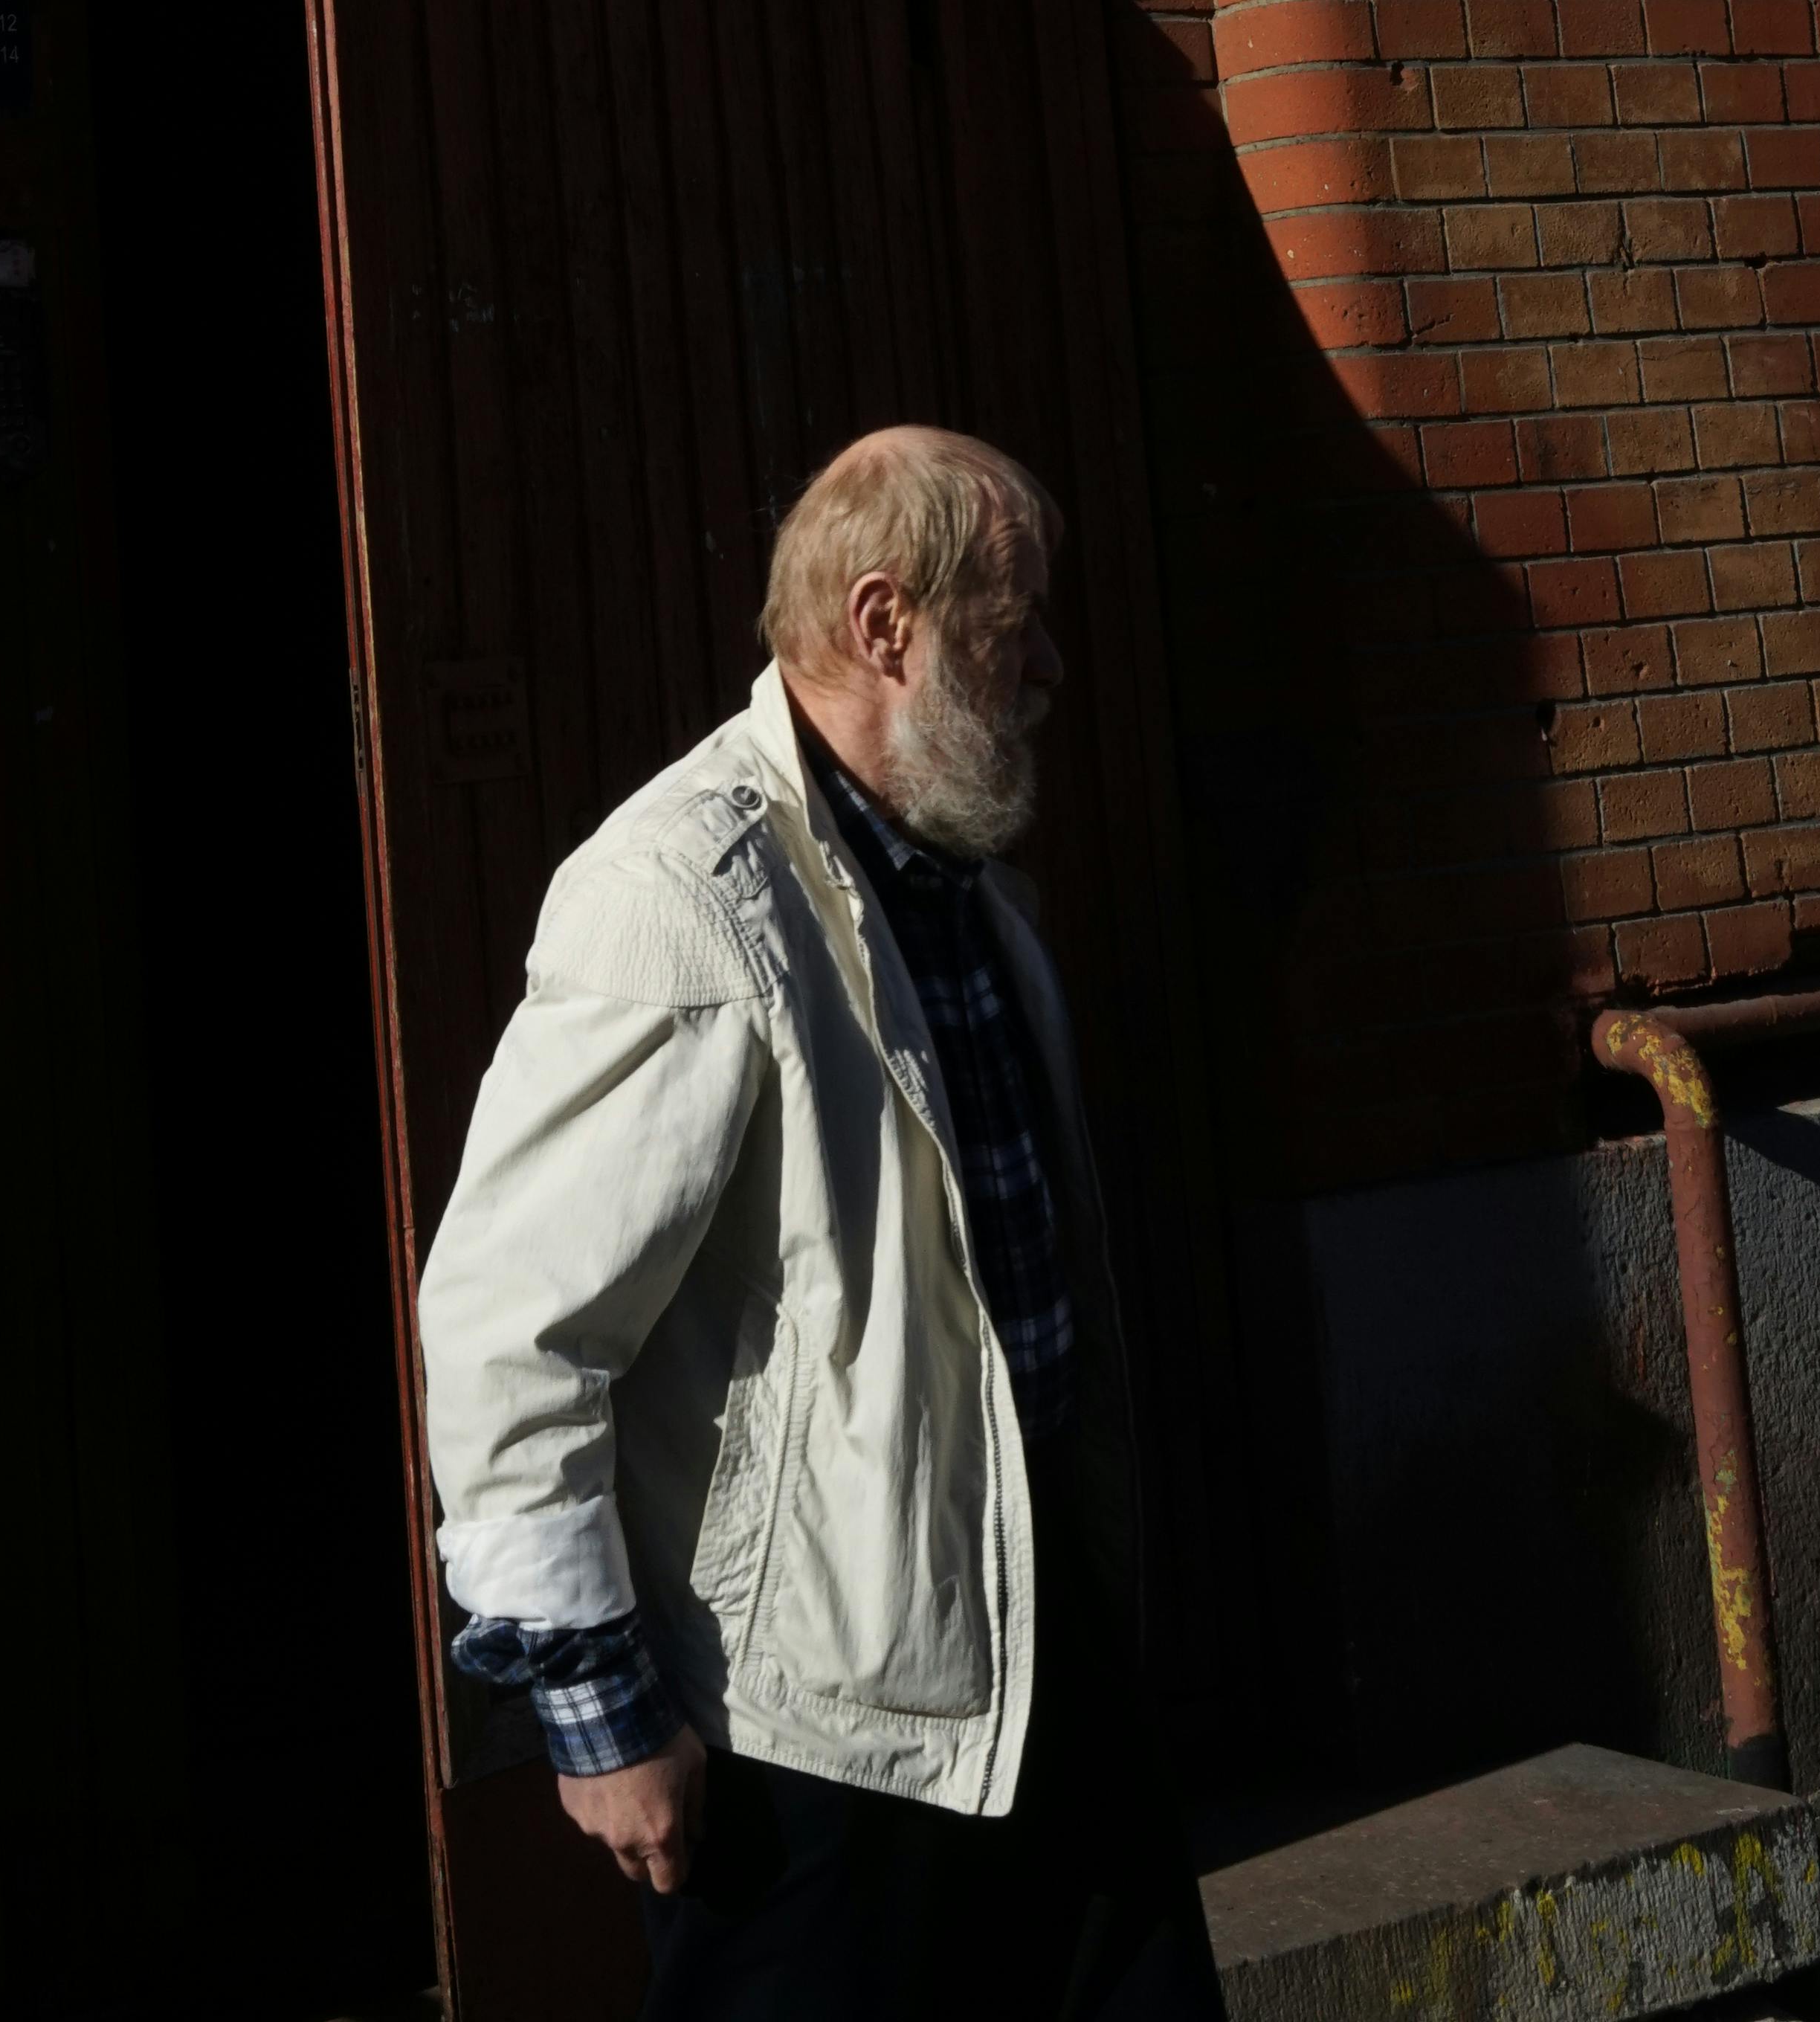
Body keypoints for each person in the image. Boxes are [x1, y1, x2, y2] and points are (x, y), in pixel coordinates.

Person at [416, 423, 1226, 2021]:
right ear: (885, 624)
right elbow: (510, 1333)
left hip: (1034, 1654)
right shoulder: (685, 890)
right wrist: (601, 1713)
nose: (1053, 665)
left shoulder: (966, 884)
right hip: (816, 1740)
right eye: (1015, 623)